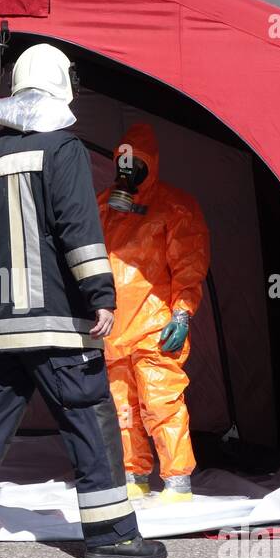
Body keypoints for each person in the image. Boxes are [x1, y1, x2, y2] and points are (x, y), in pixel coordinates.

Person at [0, 44, 166, 558]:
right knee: (88, 414)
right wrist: (100, 294)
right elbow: (77, 229)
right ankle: (113, 538)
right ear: (63, 84)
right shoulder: (62, 150)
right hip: (57, 324)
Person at [98, 122, 211, 505]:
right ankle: (134, 474)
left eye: (135, 164)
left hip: (155, 324)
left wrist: (182, 313)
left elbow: (189, 264)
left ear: (151, 165)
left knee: (161, 401)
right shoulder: (103, 207)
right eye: (122, 164)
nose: (127, 173)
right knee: (121, 406)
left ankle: (178, 480)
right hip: (113, 327)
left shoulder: (175, 207)